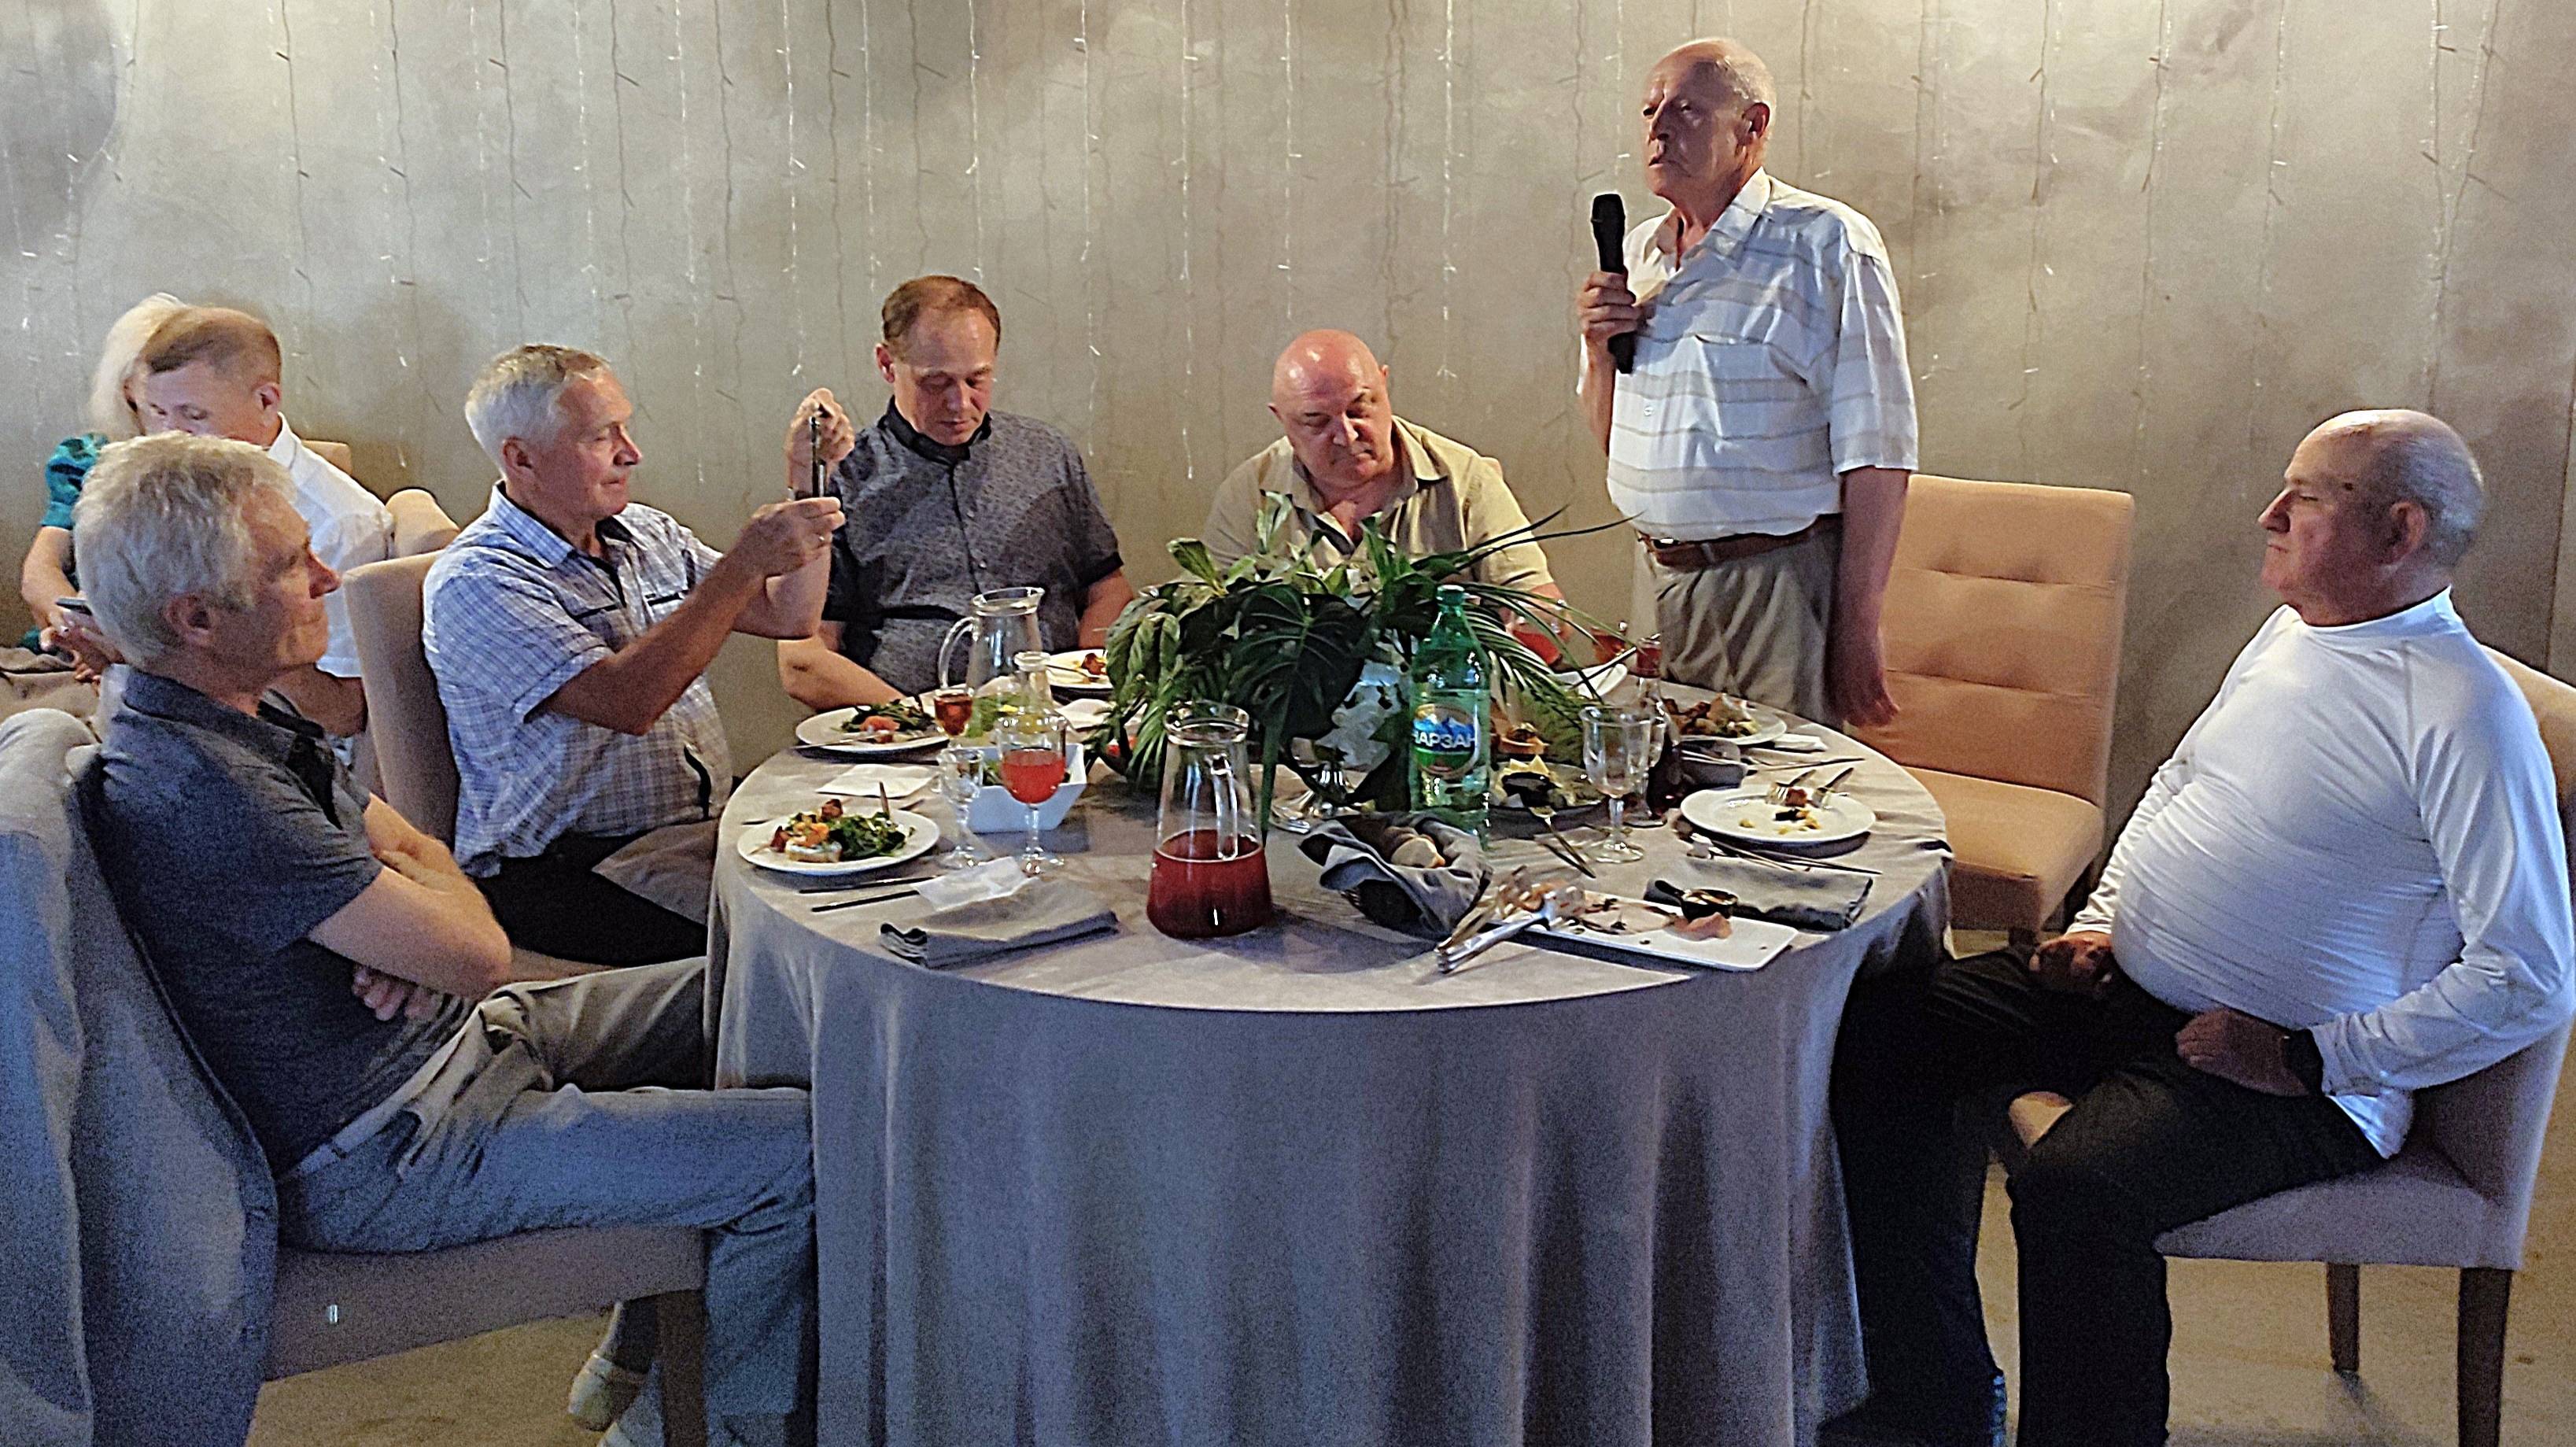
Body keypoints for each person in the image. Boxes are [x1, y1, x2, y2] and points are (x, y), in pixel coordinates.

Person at [1829, 411, 2576, 1447]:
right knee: (1867, 1036)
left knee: (2078, 1192)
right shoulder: (2292, 631)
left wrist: (2310, 1055)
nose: (2268, 515)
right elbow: (2181, 785)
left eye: (2303, 498)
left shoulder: (2464, 714)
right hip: (2127, 996)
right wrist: (2099, 925)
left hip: (2286, 1079)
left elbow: (2529, 974)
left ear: (2399, 531)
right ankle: (1932, 1401)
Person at [79, 433, 817, 1445]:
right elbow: (478, 951)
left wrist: (417, 933)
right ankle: (718, 1432)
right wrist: (423, 934)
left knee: (759, 983)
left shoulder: (230, 717)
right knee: (800, 1153)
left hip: (456, 1046)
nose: (327, 578)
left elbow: (428, 859)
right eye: (291, 565)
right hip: (395, 1147)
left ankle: (643, 1353)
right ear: (196, 618)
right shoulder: (207, 785)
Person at [425, 345, 842, 965]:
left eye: (624, 428)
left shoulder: (646, 532)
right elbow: (628, 700)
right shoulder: (479, 579)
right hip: (566, 868)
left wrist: (807, 485)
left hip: (688, 833)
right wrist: (743, 564)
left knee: (855, 882)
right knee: (799, 942)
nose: (631, 452)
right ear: (521, 458)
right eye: (600, 436)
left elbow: (788, 616)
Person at [1575, 38, 1914, 727]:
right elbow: (1616, 440)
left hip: (1772, 588)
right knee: (1657, 786)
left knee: (1773, 787)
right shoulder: (1639, 253)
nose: (1658, 128)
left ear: (1751, 127)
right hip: (1657, 582)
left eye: (1687, 110)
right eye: (1650, 110)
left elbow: (1878, 450)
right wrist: (1599, 350)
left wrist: (1857, 624)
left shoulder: (1825, 243)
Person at [777, 275, 1133, 709]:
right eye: (936, 383)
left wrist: (1087, 687)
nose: (959, 404)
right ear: (887, 365)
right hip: (908, 724)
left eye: (976, 380)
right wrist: (921, 722)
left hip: (1055, 715)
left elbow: (1107, 590)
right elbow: (803, 661)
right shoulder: (846, 479)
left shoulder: (1047, 455)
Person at [125, 306, 404, 738]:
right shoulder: (173, 488)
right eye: (158, 413)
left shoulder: (338, 521)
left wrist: (236, 645)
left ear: (266, 402)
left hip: (267, 748)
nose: (170, 438)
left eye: (194, 416)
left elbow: (344, 714)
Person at [1202, 329, 1561, 599]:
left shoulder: (1464, 479)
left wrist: (1532, 623)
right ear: (1281, 419)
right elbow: (1206, 614)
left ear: (1385, 386)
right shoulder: (1250, 493)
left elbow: (1536, 601)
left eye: (1359, 409)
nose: (1347, 436)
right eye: (1317, 421)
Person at [17, 291, 186, 667]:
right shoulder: (87, 460)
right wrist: (80, 632)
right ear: (128, 386)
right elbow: (39, 571)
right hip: (79, 646)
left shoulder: (227, 465)